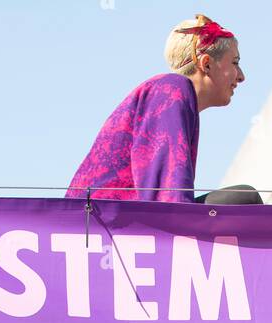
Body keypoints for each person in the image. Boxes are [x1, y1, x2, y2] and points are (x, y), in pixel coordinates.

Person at [67, 14, 259, 204]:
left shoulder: (173, 94)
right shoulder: (171, 88)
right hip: (107, 224)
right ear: (206, 63)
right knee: (245, 198)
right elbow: (167, 198)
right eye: (235, 62)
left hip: (113, 220)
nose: (241, 76)